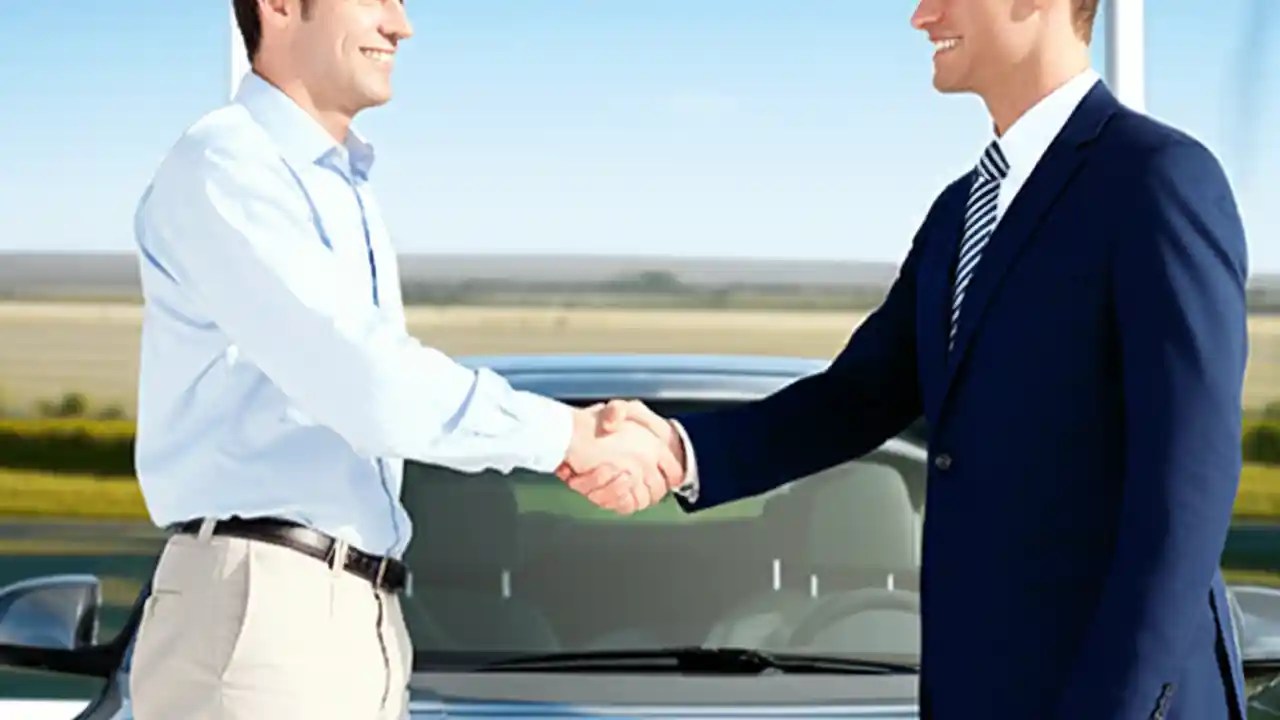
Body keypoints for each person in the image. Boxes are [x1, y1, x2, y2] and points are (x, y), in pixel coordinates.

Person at [564, 0, 1252, 718]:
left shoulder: (1156, 179)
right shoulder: (961, 211)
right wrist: (678, 451)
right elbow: (855, 397)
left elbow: (1186, 487)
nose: (922, 16)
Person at [126, 0, 677, 717]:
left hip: (346, 614)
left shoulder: (336, 182)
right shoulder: (229, 162)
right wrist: (569, 435)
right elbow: (368, 384)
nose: (400, 24)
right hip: (266, 613)